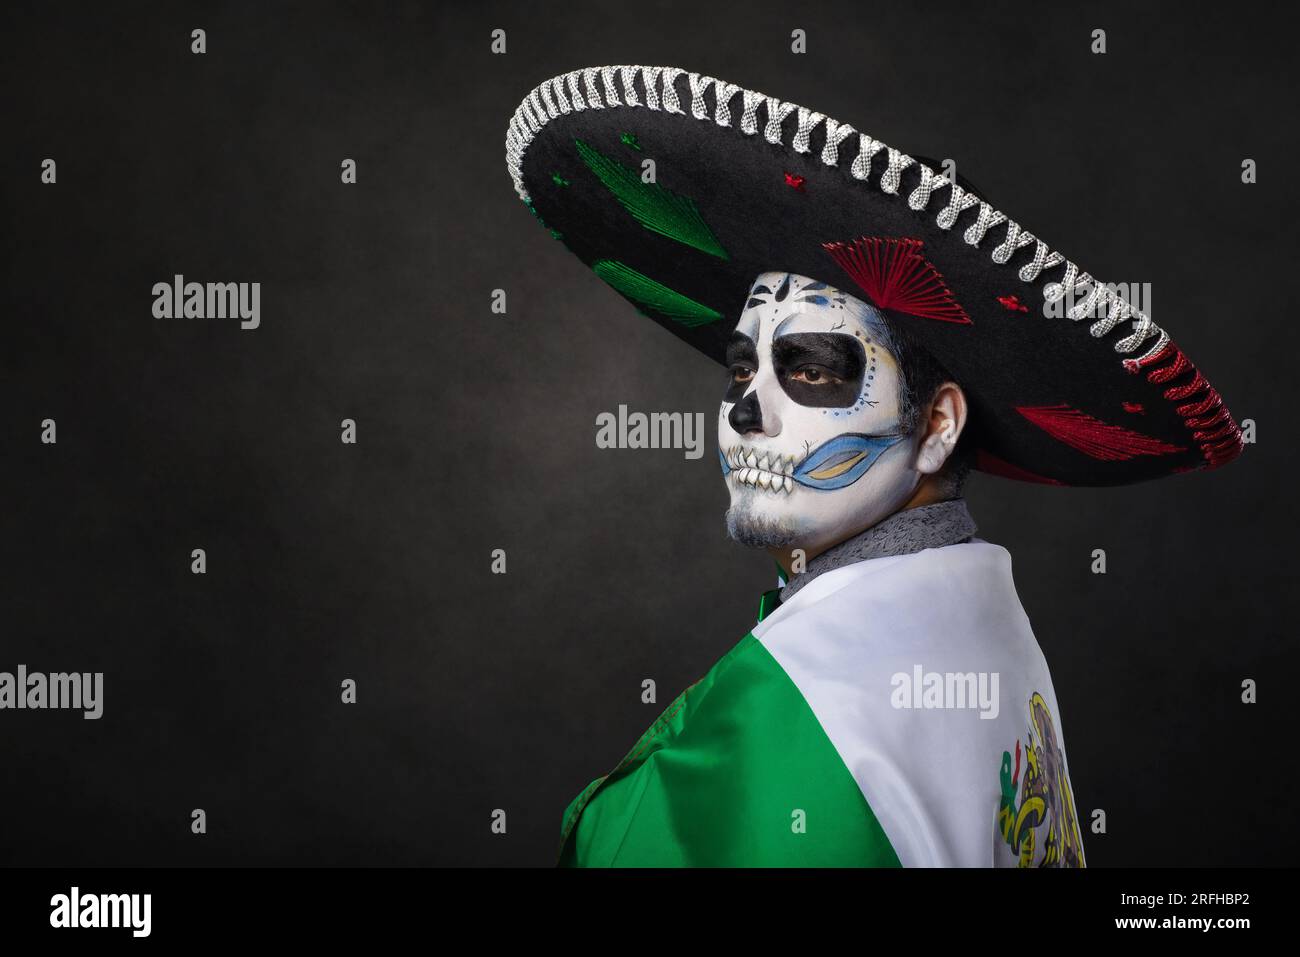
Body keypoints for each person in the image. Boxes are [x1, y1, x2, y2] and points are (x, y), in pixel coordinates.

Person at [505, 64, 1244, 866]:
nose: (746, 409)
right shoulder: (992, 627)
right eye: (742, 367)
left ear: (935, 425)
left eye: (814, 369)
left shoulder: (759, 751)